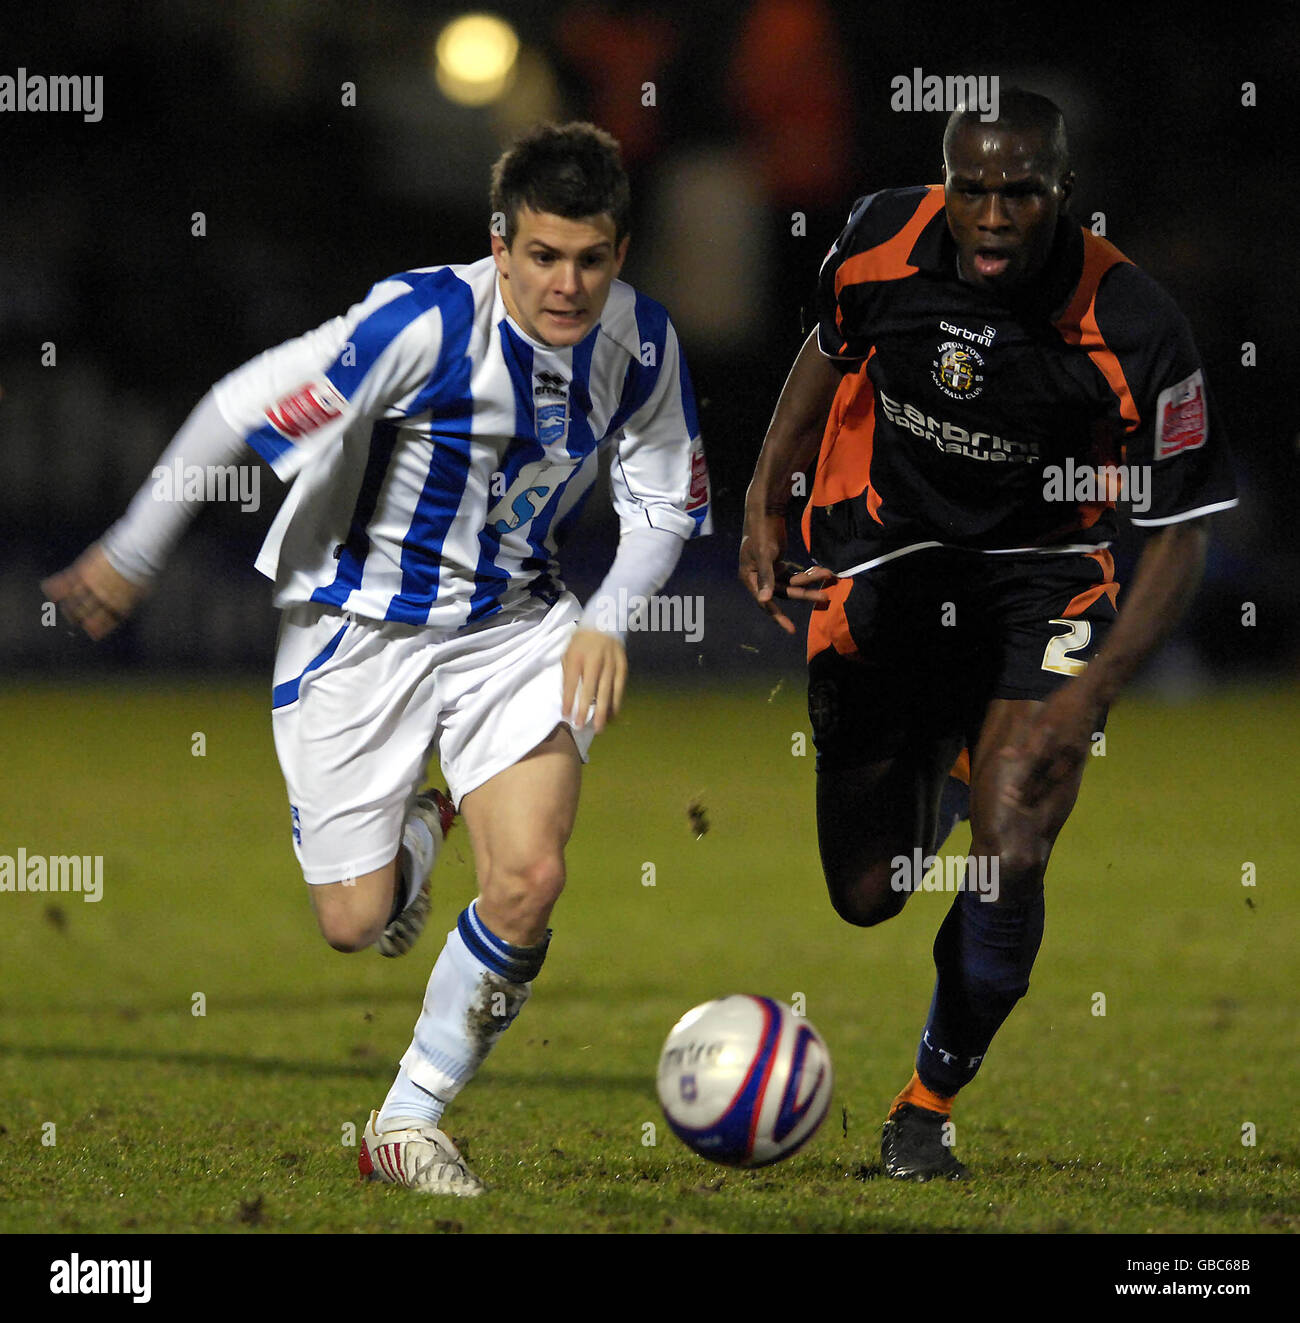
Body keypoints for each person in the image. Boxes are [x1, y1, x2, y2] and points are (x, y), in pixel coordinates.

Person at [43, 121, 710, 1196]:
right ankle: (410, 834)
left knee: (531, 878)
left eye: (590, 259)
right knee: (354, 924)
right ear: (500, 244)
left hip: (516, 628)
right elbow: (239, 405)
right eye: (543, 255)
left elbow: (662, 498)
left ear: (620, 253)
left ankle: (406, 1120)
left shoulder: (642, 345)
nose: (566, 283)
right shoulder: (422, 325)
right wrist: (131, 553)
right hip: (361, 630)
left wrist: (611, 616)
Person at [739, 90, 1235, 1181]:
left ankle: (926, 1104)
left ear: (1061, 193)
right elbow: (828, 347)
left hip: (1046, 574)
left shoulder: (1136, 322)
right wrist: (767, 495)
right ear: (945, 186)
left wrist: (1088, 696)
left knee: (1012, 843)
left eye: (1021, 191)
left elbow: (1184, 539)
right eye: (974, 190)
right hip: (889, 549)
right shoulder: (877, 237)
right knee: (867, 894)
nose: (995, 214)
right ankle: (953, 746)